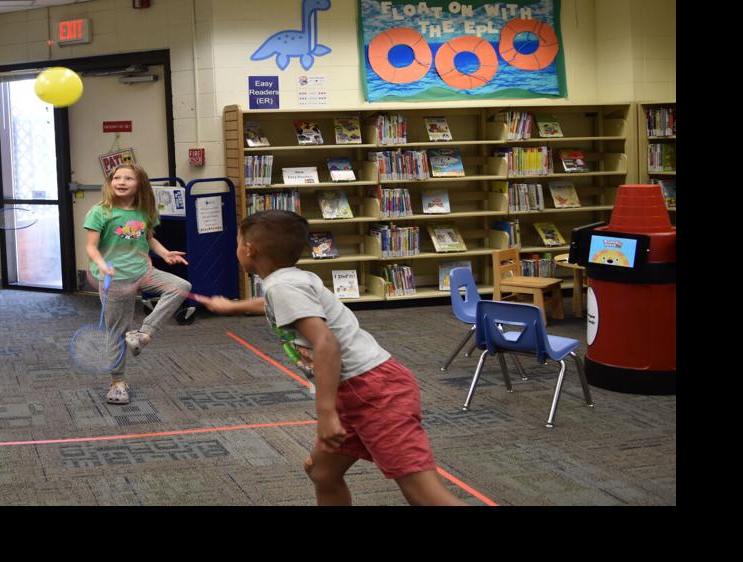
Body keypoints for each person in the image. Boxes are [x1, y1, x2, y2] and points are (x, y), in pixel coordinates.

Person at [200, 210, 464, 506]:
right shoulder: (291, 280)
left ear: (249, 249)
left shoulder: (282, 286)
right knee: (322, 472)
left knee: (423, 494)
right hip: (358, 390)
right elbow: (276, 304)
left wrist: (326, 414)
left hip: (374, 393)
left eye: (237, 242)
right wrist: (234, 307)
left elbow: (326, 344)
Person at [82, 163, 190, 404]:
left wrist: (165, 254)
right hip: (115, 278)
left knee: (181, 286)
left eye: (128, 178)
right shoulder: (100, 212)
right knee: (117, 332)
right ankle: (117, 383)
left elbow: (149, 238)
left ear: (139, 183)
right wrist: (100, 264)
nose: (120, 182)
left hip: (142, 271)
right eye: (116, 178)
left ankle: (143, 335)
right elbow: (90, 246)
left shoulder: (145, 211)